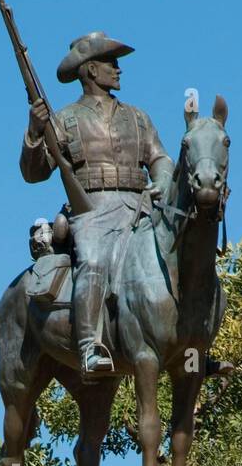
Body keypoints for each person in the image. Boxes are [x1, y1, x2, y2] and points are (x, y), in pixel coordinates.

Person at [20, 32, 173, 382]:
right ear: (90, 70)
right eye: (111, 63)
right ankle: (90, 345)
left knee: (176, 253)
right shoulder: (65, 119)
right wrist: (34, 131)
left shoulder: (138, 117)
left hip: (141, 206)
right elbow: (33, 173)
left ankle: (189, 342)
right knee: (93, 261)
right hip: (92, 209)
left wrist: (161, 182)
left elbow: (160, 158)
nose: (118, 69)